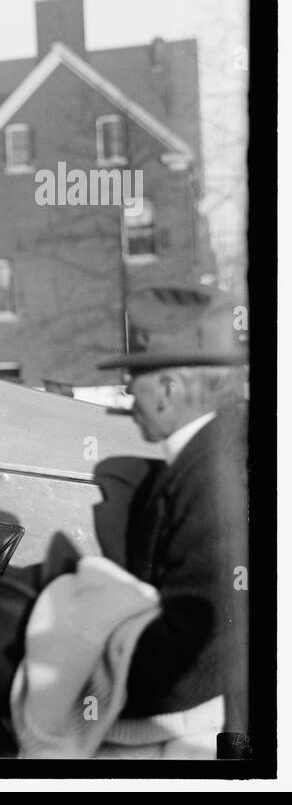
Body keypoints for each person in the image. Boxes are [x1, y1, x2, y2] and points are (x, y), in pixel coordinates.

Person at [92, 283, 249, 757]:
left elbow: (195, 645)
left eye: (133, 377)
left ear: (167, 389)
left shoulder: (213, 477)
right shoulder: (223, 449)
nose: (125, 391)